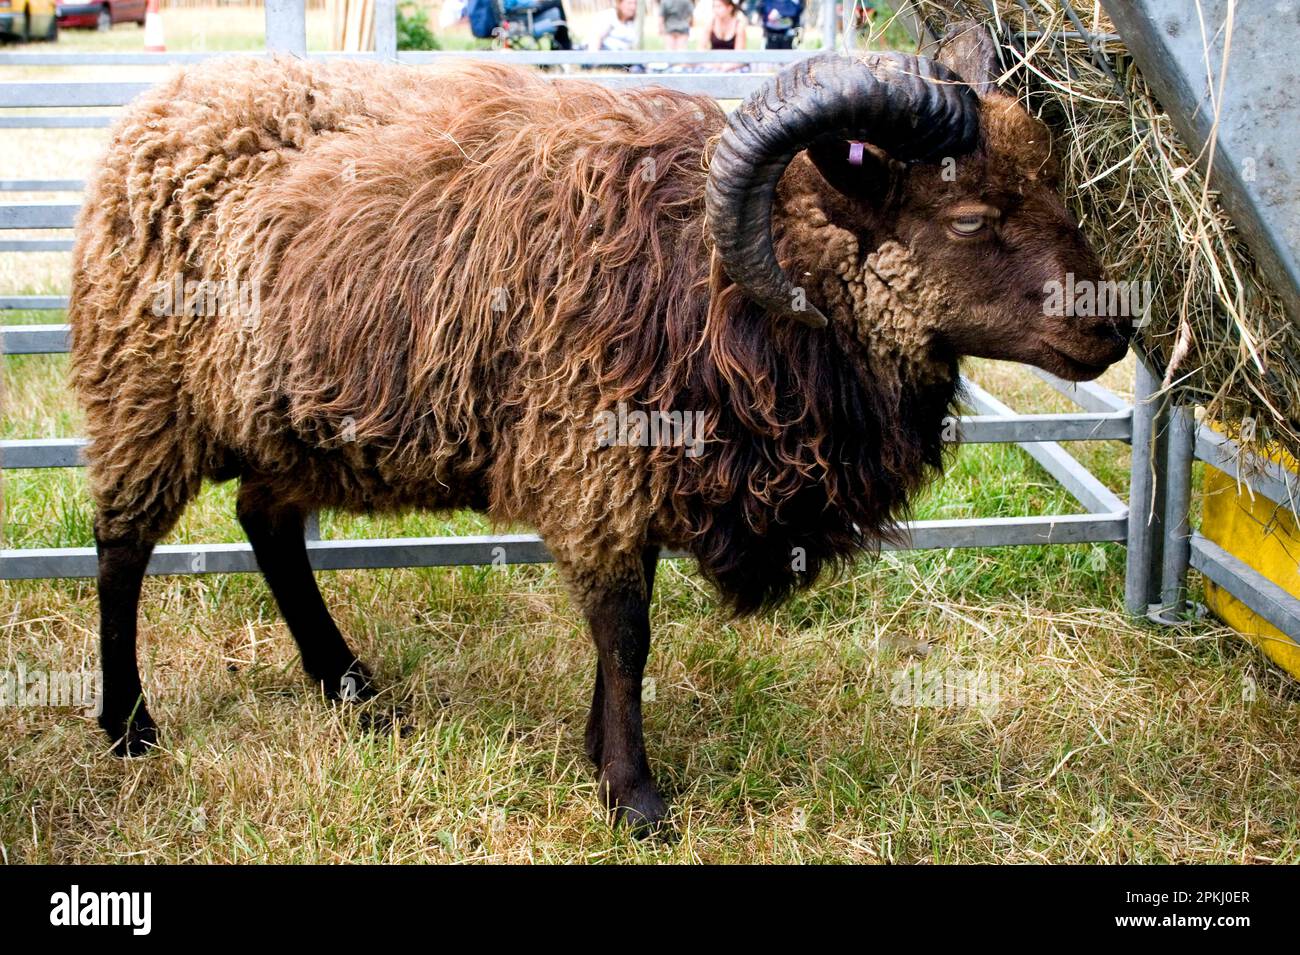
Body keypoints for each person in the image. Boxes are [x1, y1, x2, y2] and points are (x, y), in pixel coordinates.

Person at [707, 0, 746, 69]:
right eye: (714, 7)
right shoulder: (710, 24)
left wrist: (728, 66)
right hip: (713, 63)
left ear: (729, 8)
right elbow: (701, 49)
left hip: (733, 64)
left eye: (719, 7)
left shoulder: (739, 26)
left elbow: (740, 54)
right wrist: (712, 64)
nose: (716, 10)